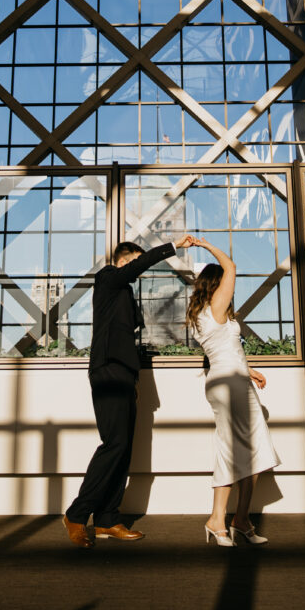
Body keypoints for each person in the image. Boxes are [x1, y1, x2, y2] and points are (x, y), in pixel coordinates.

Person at [63, 234, 194, 548]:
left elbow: (129, 331)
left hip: (124, 373)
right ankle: (77, 514)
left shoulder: (122, 291)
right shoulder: (107, 278)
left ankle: (108, 519)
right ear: (123, 260)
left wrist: (134, 381)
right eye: (135, 264)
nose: (139, 272)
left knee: (123, 448)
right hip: (107, 369)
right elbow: (135, 268)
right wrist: (171, 246)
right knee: (113, 444)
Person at [186, 236, 280, 547]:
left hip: (229, 379)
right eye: (226, 284)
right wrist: (202, 243)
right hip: (230, 385)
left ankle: (240, 519)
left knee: (255, 451)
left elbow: (223, 350)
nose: (232, 288)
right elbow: (232, 265)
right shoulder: (216, 306)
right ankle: (217, 519)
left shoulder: (204, 314)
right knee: (235, 450)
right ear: (216, 285)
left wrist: (248, 370)